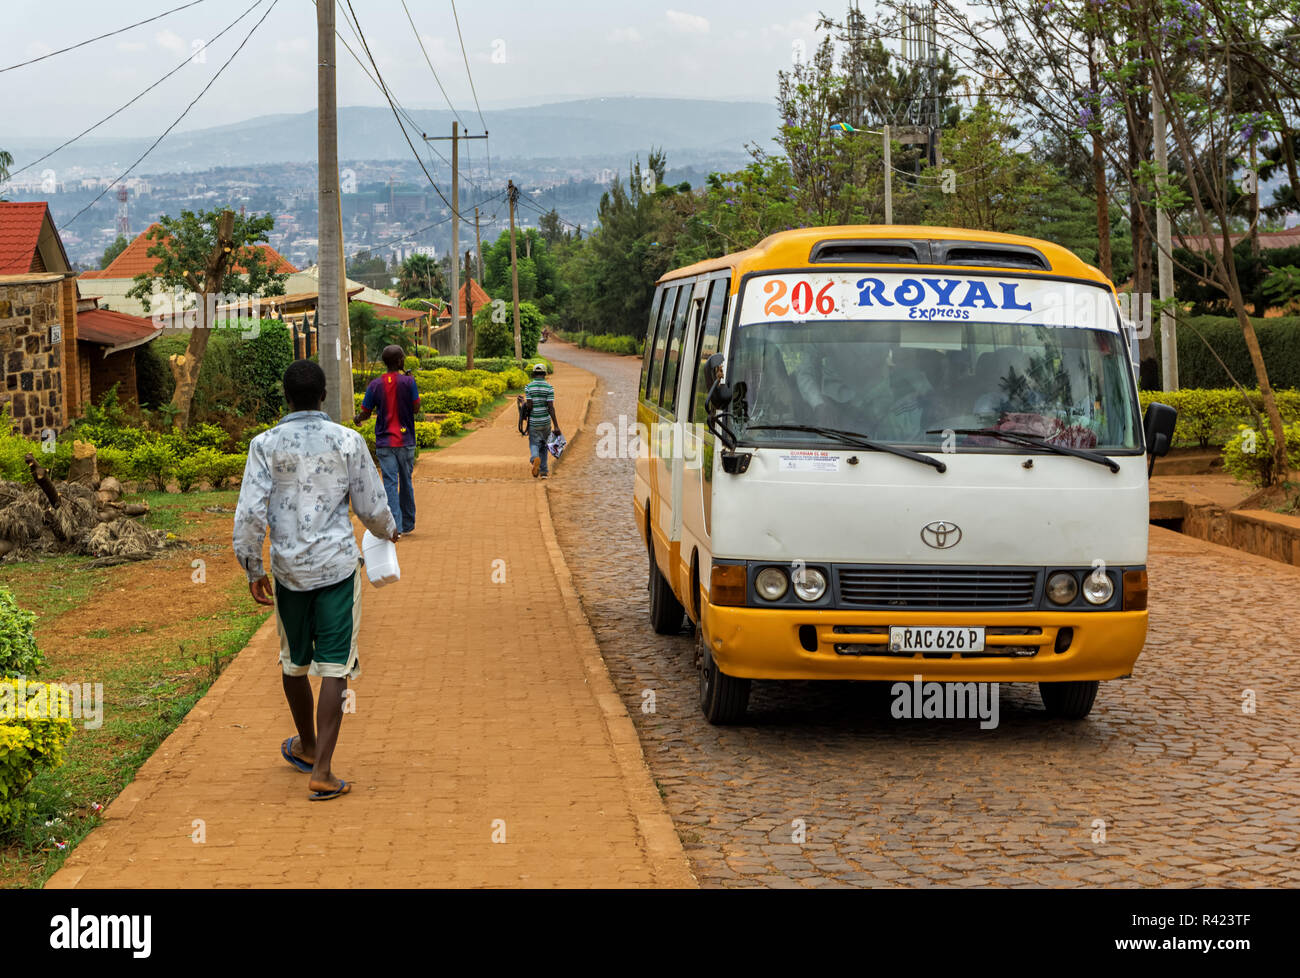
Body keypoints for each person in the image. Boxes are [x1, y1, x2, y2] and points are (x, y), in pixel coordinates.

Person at [233, 360, 398, 802]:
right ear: (323, 395)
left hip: (288, 571)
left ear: (285, 398)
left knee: (293, 662)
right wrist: (388, 531)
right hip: (338, 569)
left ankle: (306, 744)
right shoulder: (347, 441)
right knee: (335, 666)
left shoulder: (264, 445)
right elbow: (371, 504)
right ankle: (321, 770)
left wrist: (253, 566)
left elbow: (249, 512)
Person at [356, 345, 420, 536]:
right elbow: (416, 408)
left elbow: (366, 412)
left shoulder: (375, 385)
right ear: (400, 361)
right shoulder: (409, 382)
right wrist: (409, 380)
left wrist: (357, 419)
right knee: (406, 481)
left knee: (390, 483)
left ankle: (396, 527)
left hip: (385, 442)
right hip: (406, 440)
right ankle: (408, 523)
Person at [523, 362, 562, 479]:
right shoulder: (549, 388)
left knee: (534, 443)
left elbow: (529, 406)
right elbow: (551, 407)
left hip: (534, 422)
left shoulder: (528, 387)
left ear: (534, 374)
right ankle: (544, 471)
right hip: (545, 422)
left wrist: (522, 404)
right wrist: (556, 426)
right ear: (545, 374)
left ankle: (534, 458)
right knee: (545, 446)